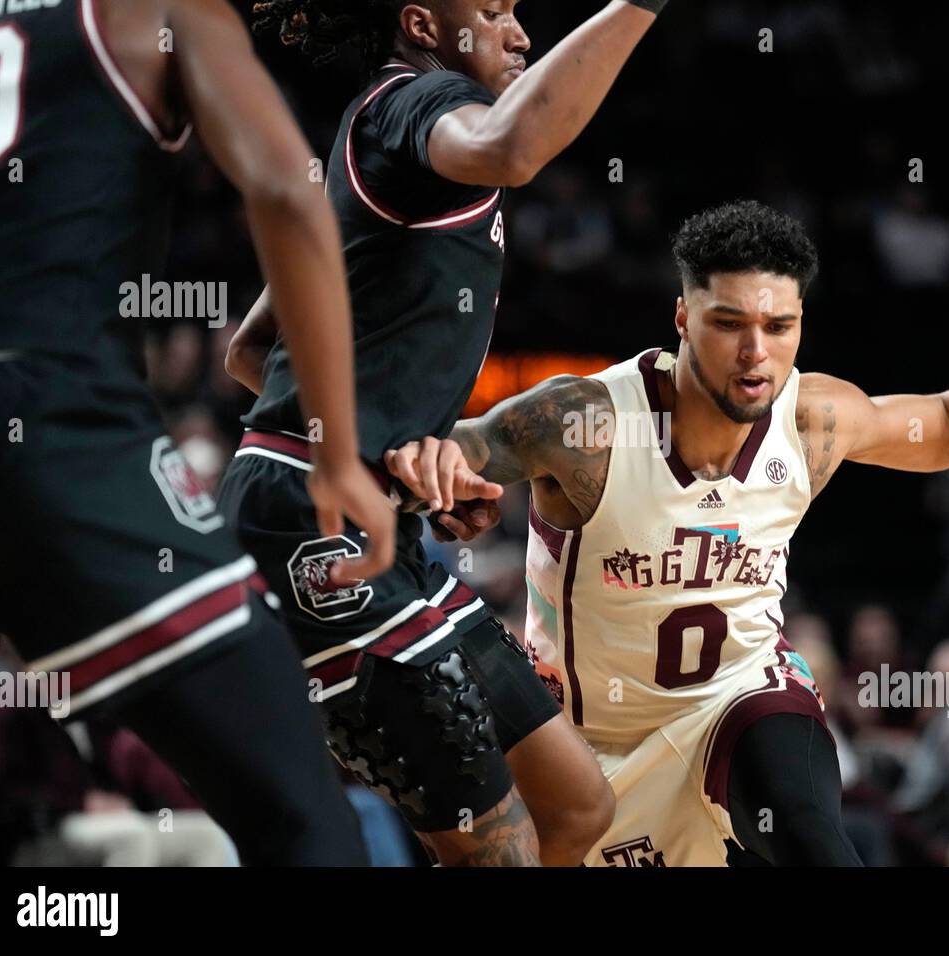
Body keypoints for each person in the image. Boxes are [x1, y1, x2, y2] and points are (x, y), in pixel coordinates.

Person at [390, 199, 949, 865]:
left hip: (738, 700)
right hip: (588, 747)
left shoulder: (811, 419)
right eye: (729, 323)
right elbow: (463, 447)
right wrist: (438, 470)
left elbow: (940, 421)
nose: (757, 351)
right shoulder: (587, 423)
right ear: (682, 317)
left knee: (814, 833)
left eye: (779, 326)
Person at [222, 0, 672, 865]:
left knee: (578, 809)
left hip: (356, 510)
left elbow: (253, 350)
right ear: (423, 25)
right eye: (495, 10)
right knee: (491, 854)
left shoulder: (379, 144)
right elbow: (514, 144)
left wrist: (409, 461)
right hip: (309, 519)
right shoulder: (409, 106)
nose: (521, 32)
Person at [0, 0, 405, 863]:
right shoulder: (160, 13)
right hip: (52, 422)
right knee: (303, 815)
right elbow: (285, 187)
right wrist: (335, 446)